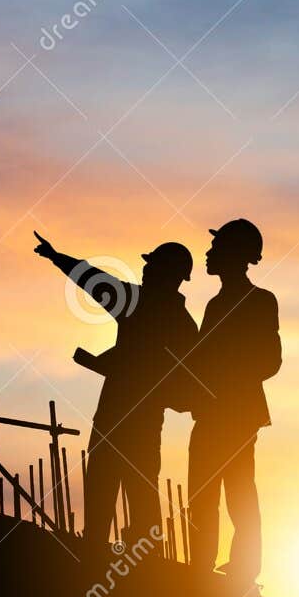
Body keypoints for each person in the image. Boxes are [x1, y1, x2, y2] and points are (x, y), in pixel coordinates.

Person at [33, 232, 197, 545]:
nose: (145, 270)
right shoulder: (182, 323)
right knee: (132, 489)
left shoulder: (142, 306)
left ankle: (108, 557)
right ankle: (136, 561)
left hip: (124, 416)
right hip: (135, 419)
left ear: (168, 274)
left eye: (152, 266)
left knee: (115, 488)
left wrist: (57, 257)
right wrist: (57, 257)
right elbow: (94, 279)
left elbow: (93, 280)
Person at [188, 219, 280, 584]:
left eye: (216, 248)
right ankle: (201, 568)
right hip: (211, 414)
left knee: (239, 494)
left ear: (234, 255)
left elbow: (269, 360)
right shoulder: (214, 305)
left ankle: (243, 570)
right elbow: (199, 360)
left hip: (236, 416)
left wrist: (224, 380)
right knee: (202, 496)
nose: (209, 254)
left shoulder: (260, 301)